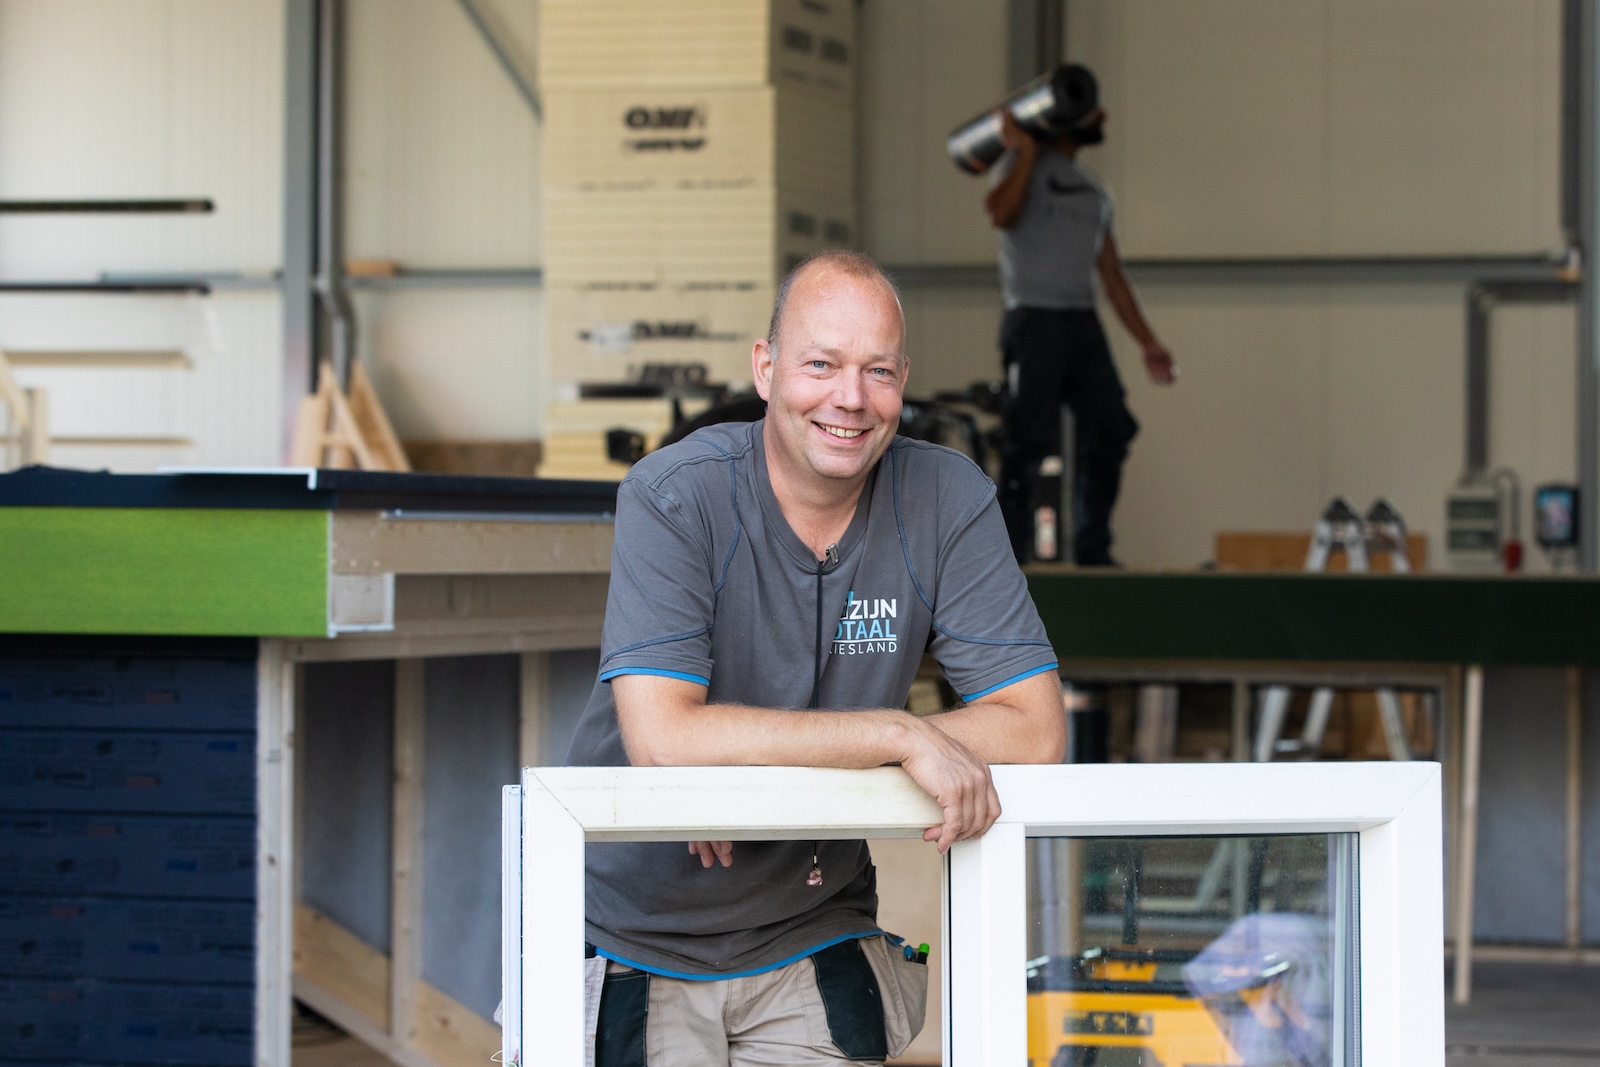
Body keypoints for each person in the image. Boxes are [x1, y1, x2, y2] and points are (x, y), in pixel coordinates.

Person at [563, 250, 1066, 1066]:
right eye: (821, 364)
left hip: (814, 922)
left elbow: (1035, 728)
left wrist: (742, 760)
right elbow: (664, 739)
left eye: (878, 370)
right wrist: (898, 735)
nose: (851, 398)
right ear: (766, 369)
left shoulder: (948, 499)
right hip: (638, 928)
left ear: (903, 380)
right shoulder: (675, 493)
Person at [985, 99, 1176, 566]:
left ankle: (1094, 550)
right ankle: (1007, 558)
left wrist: (1148, 341)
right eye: (1092, 110)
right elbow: (1001, 214)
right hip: (1033, 320)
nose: (1104, 115)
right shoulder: (1019, 168)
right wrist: (1026, 152)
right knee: (1028, 439)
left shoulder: (1095, 190)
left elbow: (1110, 271)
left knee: (1112, 428)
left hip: (1081, 322)